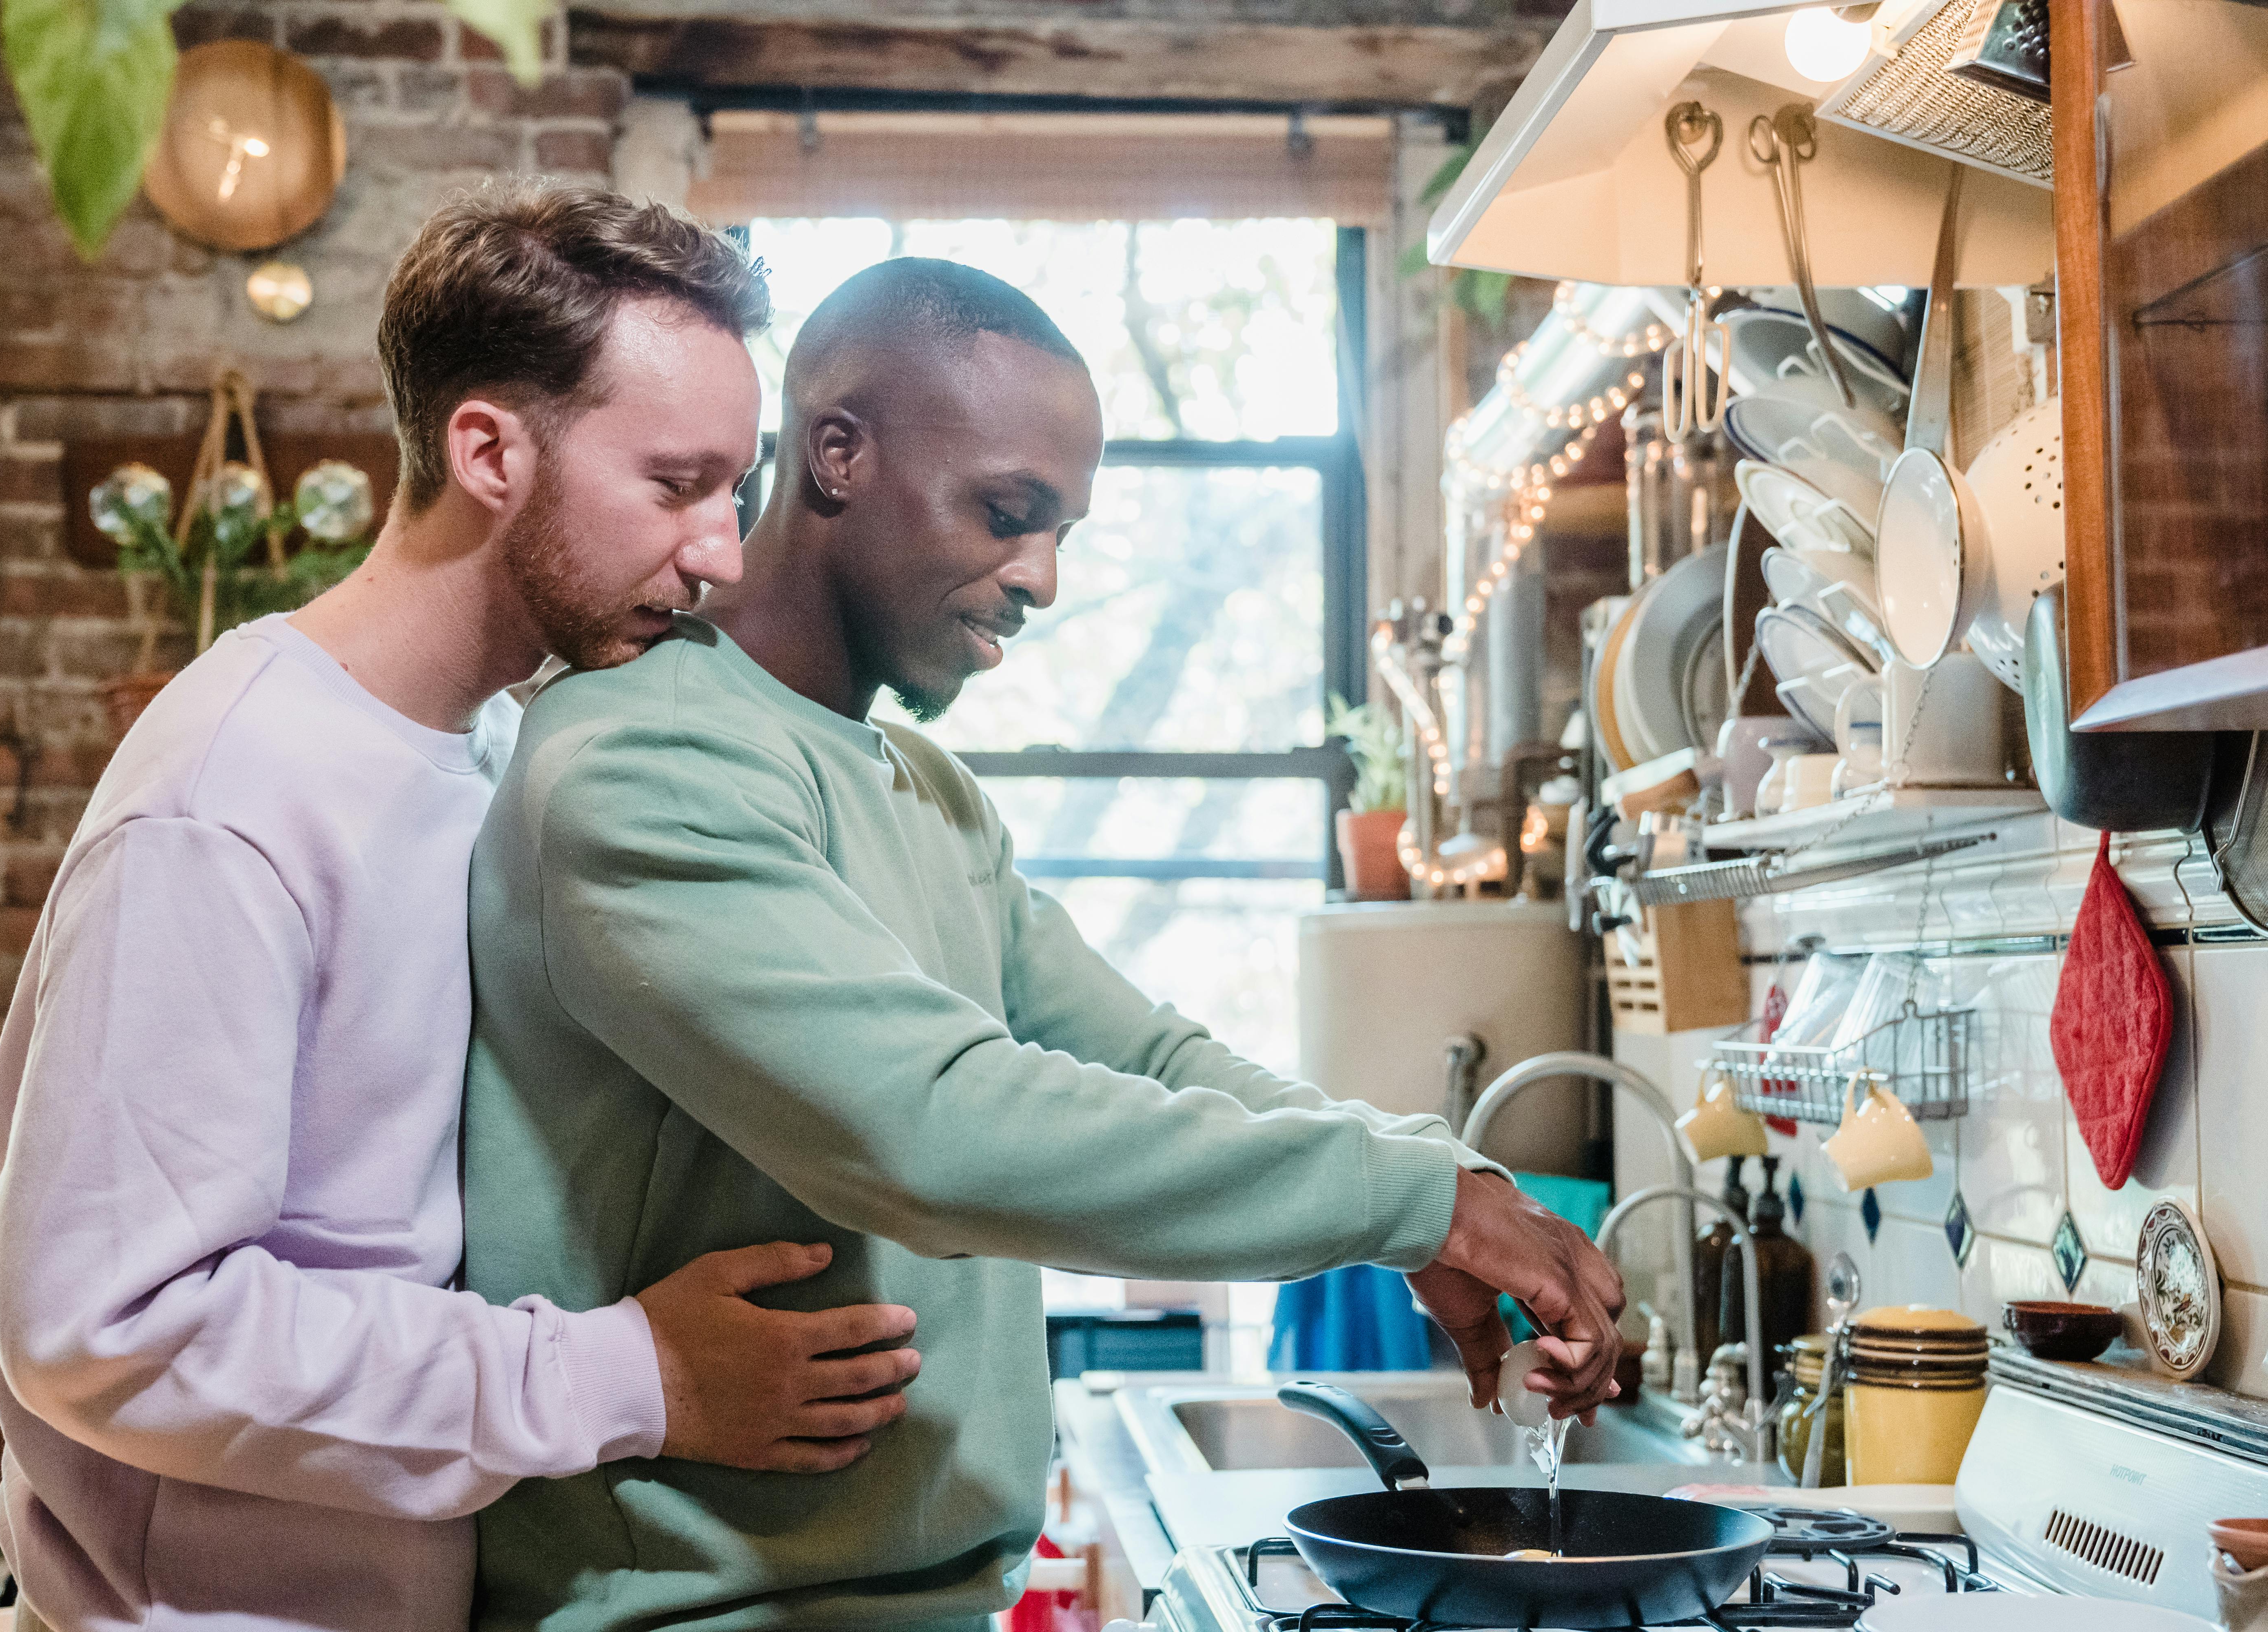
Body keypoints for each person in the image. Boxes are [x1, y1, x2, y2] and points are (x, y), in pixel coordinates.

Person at [460, 257, 1627, 1632]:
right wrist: (1412, 1206)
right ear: (837, 454)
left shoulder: (927, 791)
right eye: (1009, 515)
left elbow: (1148, 1056)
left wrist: (1439, 1191)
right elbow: (938, 1128)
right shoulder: (640, 757)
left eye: (1063, 529)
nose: (1045, 578)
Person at [0, 182, 922, 1632]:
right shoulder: (227, 802)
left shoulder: (495, 752)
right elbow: (110, 1334)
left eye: (736, 491)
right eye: (676, 486)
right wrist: (632, 1378)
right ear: (488, 449)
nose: (723, 552)